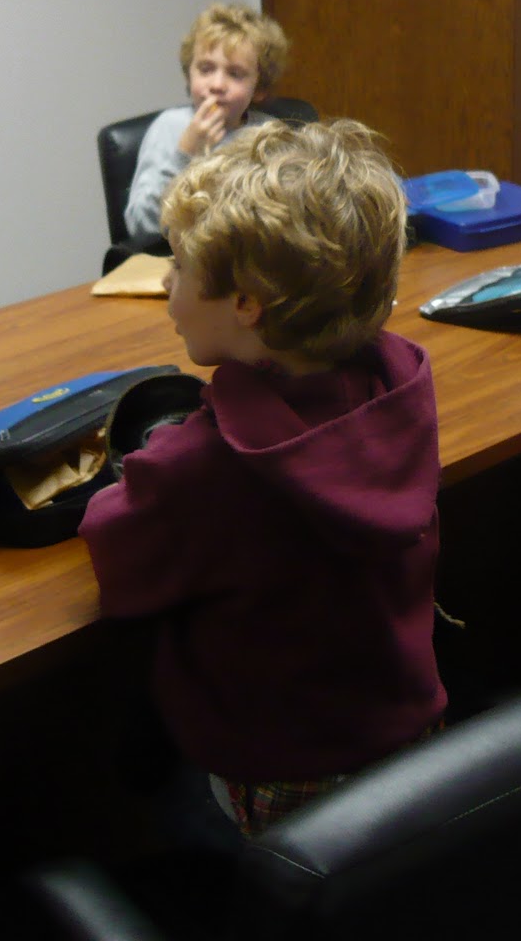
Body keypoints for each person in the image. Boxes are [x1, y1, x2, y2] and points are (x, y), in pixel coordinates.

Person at [83, 118, 446, 837]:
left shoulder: (202, 467)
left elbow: (116, 554)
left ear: (247, 303)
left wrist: (146, 460)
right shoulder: (399, 387)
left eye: (180, 264)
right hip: (413, 755)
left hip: (284, 787)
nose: (164, 279)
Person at [122, 2, 291, 240]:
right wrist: (186, 155)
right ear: (189, 74)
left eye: (235, 74)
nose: (217, 85)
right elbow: (142, 224)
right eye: (206, 69)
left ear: (259, 87)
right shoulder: (169, 128)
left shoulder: (268, 133)